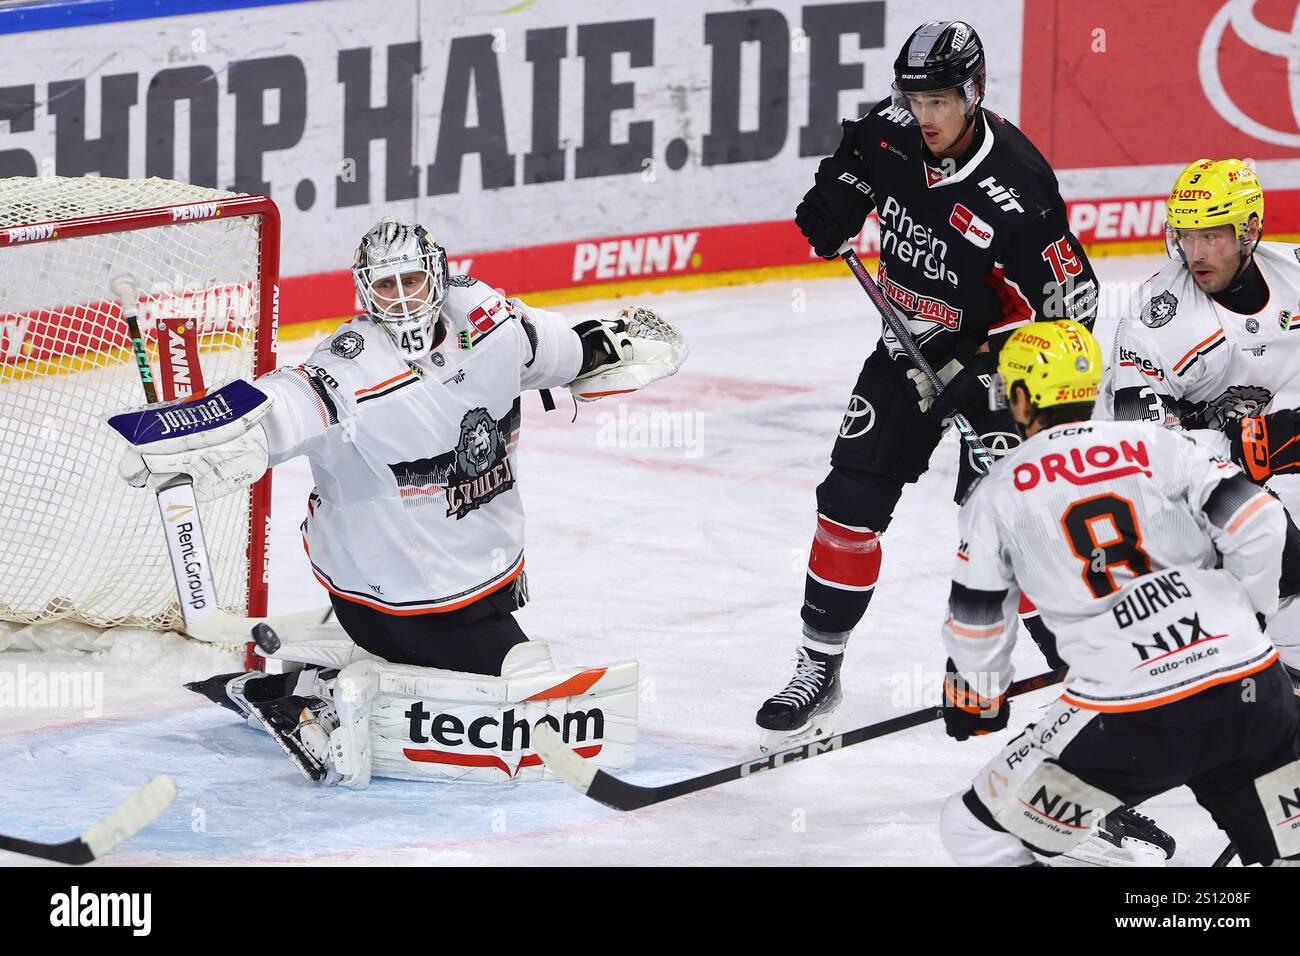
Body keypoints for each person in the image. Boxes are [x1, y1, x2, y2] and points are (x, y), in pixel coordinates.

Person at [119, 216, 687, 779]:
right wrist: (198, 432)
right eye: (385, 287)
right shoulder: (350, 363)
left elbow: (562, 351)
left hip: (481, 577)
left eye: (411, 281)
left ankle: (308, 685)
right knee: (527, 683)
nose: (401, 300)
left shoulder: (489, 320)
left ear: (438, 277)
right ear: (365, 291)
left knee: (511, 679)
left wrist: (609, 344)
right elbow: (284, 404)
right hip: (389, 598)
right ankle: (319, 704)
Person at [759, 19, 1096, 748]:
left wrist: (987, 378)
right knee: (847, 501)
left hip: (998, 373)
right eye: (914, 99)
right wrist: (834, 200)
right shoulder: (892, 129)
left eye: (940, 100)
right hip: (905, 350)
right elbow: (854, 160)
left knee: (1015, 526)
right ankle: (819, 668)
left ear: (973, 94)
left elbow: (1075, 312)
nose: (925, 117)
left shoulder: (1020, 190)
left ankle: (1091, 680)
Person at [939, 319, 1300, 867]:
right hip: (1253, 691)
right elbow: (1262, 522)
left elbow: (979, 621)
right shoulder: (1163, 444)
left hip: (1131, 720)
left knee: (976, 831)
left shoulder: (999, 491)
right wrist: (1245, 615)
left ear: (1018, 397)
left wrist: (978, 697)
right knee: (1288, 846)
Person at [1099, 158, 1300, 689]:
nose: (1196, 253)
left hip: (1256, 465)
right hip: (1164, 488)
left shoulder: (1294, 273)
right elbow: (1142, 452)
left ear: (1250, 230)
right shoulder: (1154, 318)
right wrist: (1244, 446)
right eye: (1186, 235)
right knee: (1277, 549)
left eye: (1212, 235)